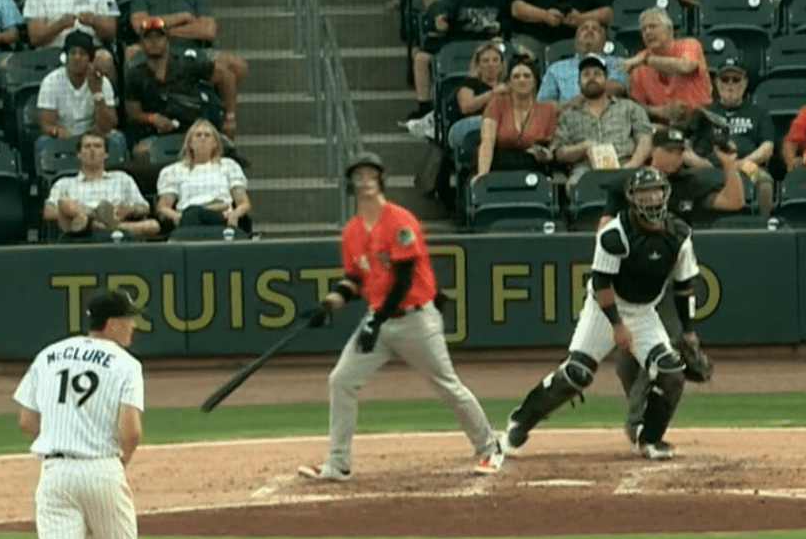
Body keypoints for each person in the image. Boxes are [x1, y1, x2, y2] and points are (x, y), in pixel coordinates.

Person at [298, 153, 505, 481]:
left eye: (370, 174)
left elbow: (404, 278)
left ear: (381, 180)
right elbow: (355, 278)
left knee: (447, 385)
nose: (365, 180)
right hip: (379, 319)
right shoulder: (351, 232)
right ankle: (337, 463)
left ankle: (488, 447)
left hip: (415, 320)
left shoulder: (400, 220)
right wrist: (332, 301)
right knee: (341, 380)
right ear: (350, 185)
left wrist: (375, 319)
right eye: (358, 176)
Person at [14, 289, 162, 539]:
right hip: (100, 469)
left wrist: (65, 427)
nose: (134, 325)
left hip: (55, 474)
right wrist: (119, 462)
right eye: (129, 319)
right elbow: (130, 432)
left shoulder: (50, 354)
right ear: (111, 323)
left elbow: (27, 421)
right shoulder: (126, 364)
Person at [501, 167, 701, 459]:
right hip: (604, 307)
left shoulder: (680, 236)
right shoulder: (614, 234)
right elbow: (600, 283)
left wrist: (688, 330)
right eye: (644, 193)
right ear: (632, 199)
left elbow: (684, 287)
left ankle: (650, 439)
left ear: (665, 195)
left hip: (644, 312)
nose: (651, 199)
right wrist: (617, 326)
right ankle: (519, 423)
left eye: (655, 192)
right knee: (576, 374)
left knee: (671, 372)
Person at [126, 0, 248, 134]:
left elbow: (208, 30)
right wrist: (183, 18)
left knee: (237, 64)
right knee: (131, 53)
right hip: (156, 49)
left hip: (194, 50)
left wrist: (161, 28)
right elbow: (140, 25)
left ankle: (226, 118)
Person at [409, 0, 512, 121]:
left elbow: (509, 22)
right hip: (457, 41)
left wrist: (499, 27)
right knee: (421, 58)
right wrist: (441, 21)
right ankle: (424, 105)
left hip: (486, 44)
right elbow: (444, 13)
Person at [550, 53, 655, 192]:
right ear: (578, 82)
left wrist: (632, 165)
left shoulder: (630, 108)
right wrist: (583, 148)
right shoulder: (567, 116)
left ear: (606, 80)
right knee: (577, 188)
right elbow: (559, 153)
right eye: (586, 74)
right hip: (586, 172)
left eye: (597, 74)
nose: (591, 77)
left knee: (646, 185)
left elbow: (645, 139)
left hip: (625, 165)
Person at [692, 60, 774, 215]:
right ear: (716, 83)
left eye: (736, 79)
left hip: (745, 164)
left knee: (765, 182)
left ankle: (764, 227)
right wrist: (702, 163)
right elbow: (686, 148)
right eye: (725, 79)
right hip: (709, 166)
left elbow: (767, 148)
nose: (730, 84)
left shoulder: (759, 113)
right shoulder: (704, 113)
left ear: (744, 83)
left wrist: (739, 164)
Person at [42, 131, 161, 238]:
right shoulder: (64, 183)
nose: (92, 150)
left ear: (106, 154)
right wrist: (79, 211)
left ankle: (98, 226)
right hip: (79, 231)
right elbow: (48, 212)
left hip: (116, 223)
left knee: (153, 225)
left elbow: (145, 207)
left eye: (98, 146)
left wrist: (131, 209)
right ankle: (94, 218)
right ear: (79, 154)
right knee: (64, 201)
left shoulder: (122, 178)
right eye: (87, 146)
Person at [624, 126, 743, 226]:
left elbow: (733, 202)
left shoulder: (689, 182)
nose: (675, 157)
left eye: (679, 152)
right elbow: (607, 219)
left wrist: (729, 164)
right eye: (669, 151)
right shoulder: (633, 181)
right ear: (653, 150)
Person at [36, 31, 127, 160]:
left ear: (90, 59)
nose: (77, 58)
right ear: (66, 57)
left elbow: (109, 125)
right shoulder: (51, 81)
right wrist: (57, 131)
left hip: (93, 135)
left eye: (82, 53)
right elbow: (46, 124)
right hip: (63, 136)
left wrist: (97, 93)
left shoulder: (102, 82)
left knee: (117, 139)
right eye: (72, 53)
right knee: (43, 143)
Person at [153, 119, 252, 232]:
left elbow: (244, 203)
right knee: (193, 214)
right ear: (190, 143)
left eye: (207, 135)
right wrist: (177, 217)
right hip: (189, 219)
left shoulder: (229, 166)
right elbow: (163, 207)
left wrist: (235, 214)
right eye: (198, 135)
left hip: (220, 217)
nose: (203, 138)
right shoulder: (173, 171)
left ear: (215, 143)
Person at [472, 55, 559, 178]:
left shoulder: (547, 109)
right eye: (516, 76)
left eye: (527, 76)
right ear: (509, 83)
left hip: (533, 170)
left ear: (534, 82)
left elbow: (552, 149)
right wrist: (483, 175)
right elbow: (487, 141)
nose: (521, 80)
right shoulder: (497, 104)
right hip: (499, 167)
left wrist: (545, 155)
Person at [623, 8, 712, 128]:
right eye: (643, 29)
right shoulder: (639, 65)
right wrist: (662, 111)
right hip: (664, 128)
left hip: (701, 123)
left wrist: (648, 60)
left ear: (669, 30)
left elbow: (686, 66)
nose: (647, 32)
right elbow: (637, 108)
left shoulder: (690, 45)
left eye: (653, 26)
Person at [537, 19, 630, 104]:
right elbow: (544, 104)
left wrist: (576, 102)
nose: (589, 31)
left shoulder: (617, 63)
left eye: (595, 29)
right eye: (584, 29)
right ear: (575, 41)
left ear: (604, 42)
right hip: (568, 118)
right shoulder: (557, 68)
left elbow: (618, 87)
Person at [446, 39, 509, 157]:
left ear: (501, 66)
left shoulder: (509, 87)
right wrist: (492, 94)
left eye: (495, 60)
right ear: (478, 66)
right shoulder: (468, 85)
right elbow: (467, 107)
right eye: (485, 61)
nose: (491, 64)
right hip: (469, 126)